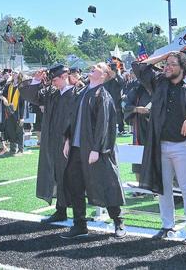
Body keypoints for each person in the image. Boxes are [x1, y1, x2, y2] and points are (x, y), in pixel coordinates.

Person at [133, 51, 186, 244]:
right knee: (163, 190)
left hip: (184, 147)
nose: (167, 67)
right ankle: (167, 226)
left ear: (183, 68)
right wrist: (165, 56)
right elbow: (138, 66)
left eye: (172, 64)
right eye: (166, 64)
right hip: (160, 145)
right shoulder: (159, 83)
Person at [59, 63, 126, 239]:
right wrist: (67, 139)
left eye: (97, 67)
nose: (92, 67)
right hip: (76, 148)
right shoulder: (82, 92)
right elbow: (72, 118)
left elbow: (104, 125)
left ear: (103, 75)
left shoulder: (102, 95)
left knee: (106, 183)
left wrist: (97, 149)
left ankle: (118, 221)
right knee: (75, 185)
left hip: (95, 149)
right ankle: (80, 224)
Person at [22, 64, 78, 223]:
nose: (53, 83)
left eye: (55, 80)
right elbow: (31, 96)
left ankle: (79, 215)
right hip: (52, 140)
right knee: (56, 174)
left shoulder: (76, 93)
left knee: (72, 176)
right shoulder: (52, 93)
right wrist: (36, 80)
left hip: (70, 142)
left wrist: (69, 138)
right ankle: (61, 210)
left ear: (64, 76)